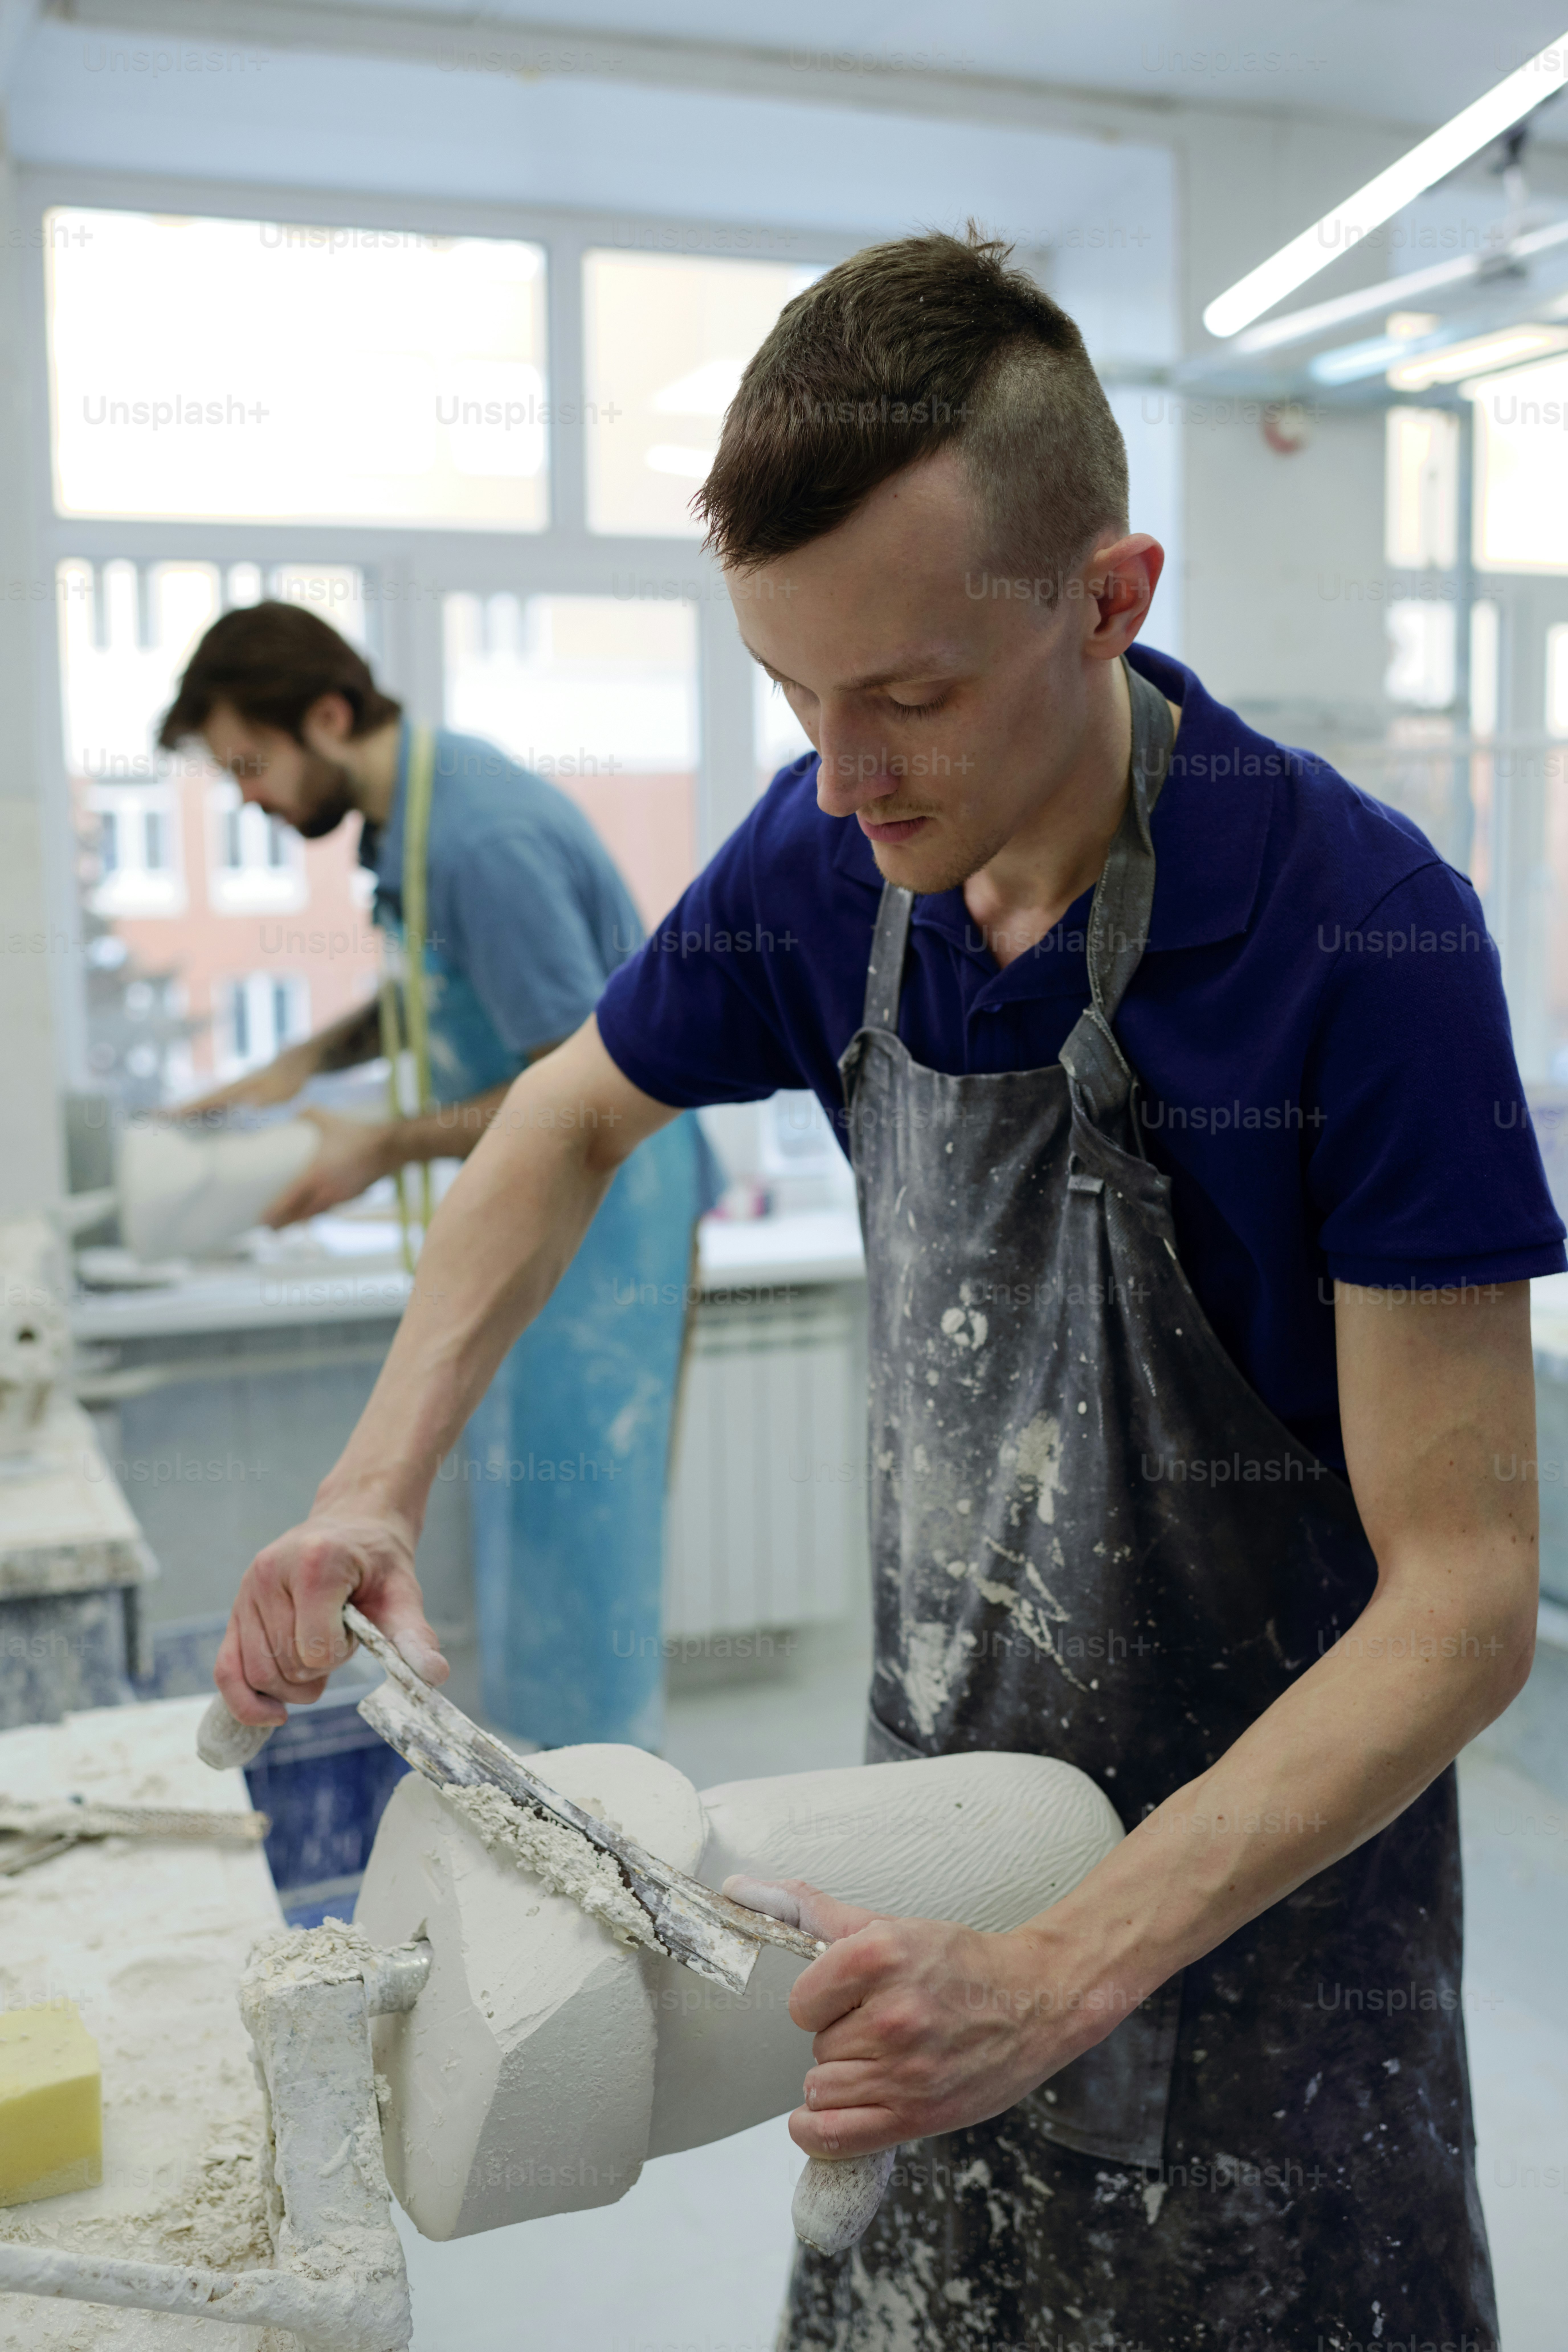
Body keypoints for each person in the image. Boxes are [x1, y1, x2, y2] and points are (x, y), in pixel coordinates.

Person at [210, 233, 1560, 2347]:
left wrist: (1064, 1967)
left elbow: (1467, 1597)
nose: (843, 776)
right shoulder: (831, 861)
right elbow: (561, 1118)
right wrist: (376, 1479)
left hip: (1265, 1970)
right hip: (918, 1893)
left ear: (1109, 598)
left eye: (909, 698)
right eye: (794, 697)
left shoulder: (1362, 941)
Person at [159, 604, 710, 1751]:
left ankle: (607, 1811)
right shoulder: (411, 822)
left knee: (581, 1552)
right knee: (522, 1537)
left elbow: (573, 1101)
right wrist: (300, 1066)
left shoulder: (477, 840)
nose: (249, 800)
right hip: (544, 1221)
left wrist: (375, 1146)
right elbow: (437, 992)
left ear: (327, 716)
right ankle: (547, 1783)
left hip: (604, 1224)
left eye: (250, 765)